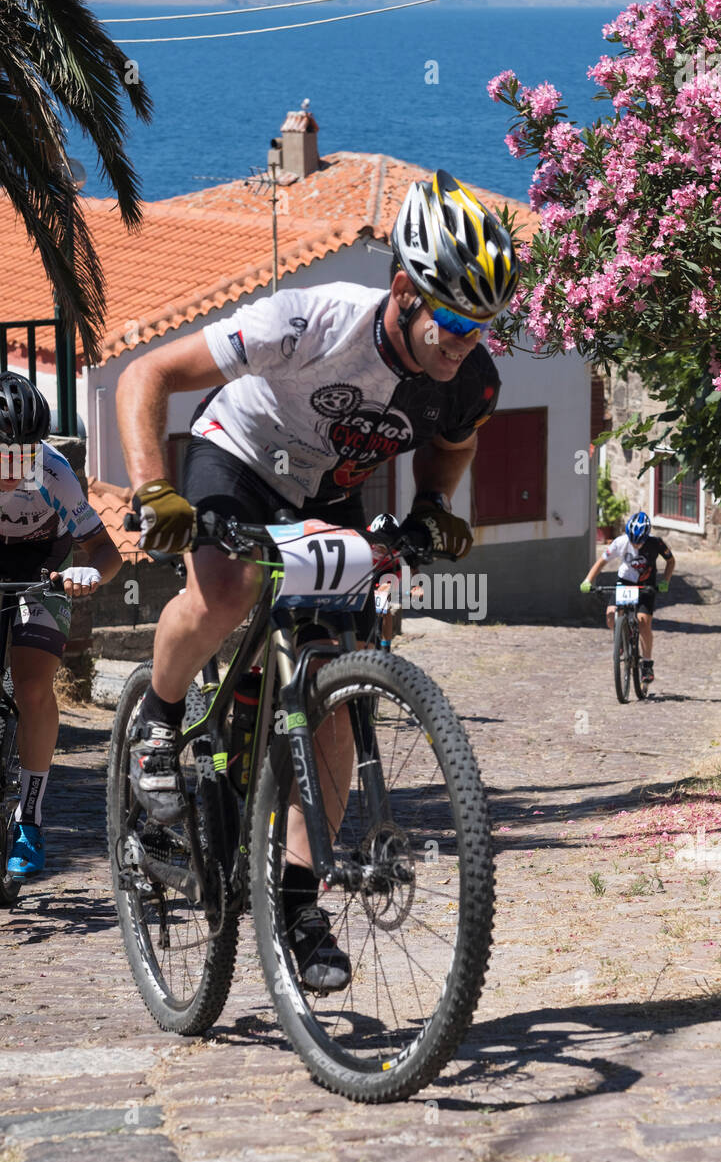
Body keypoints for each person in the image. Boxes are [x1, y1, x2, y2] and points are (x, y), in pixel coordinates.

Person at [115, 167, 518, 991]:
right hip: (236, 456)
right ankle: (157, 723)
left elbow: (455, 442)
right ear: (403, 289)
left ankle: (297, 901)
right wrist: (155, 489)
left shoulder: (468, 379)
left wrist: (435, 503)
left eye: (479, 326)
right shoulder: (306, 322)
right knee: (223, 592)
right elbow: (143, 377)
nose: (459, 340)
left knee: (331, 686)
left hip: (325, 493)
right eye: (446, 317)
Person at [0, 372, 121, 877]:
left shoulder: (53, 472)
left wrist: (87, 573)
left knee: (31, 688)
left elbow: (106, 552)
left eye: (27, 453)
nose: (17, 468)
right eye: (7, 454)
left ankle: (30, 817)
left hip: (40, 565)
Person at [580, 509, 675, 684]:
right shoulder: (620, 542)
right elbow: (601, 562)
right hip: (625, 582)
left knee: (643, 622)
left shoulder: (656, 543)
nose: (636, 545)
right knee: (610, 615)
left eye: (639, 542)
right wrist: (588, 580)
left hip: (646, 585)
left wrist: (665, 581)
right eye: (633, 541)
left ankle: (647, 663)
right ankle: (621, 640)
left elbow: (671, 561)